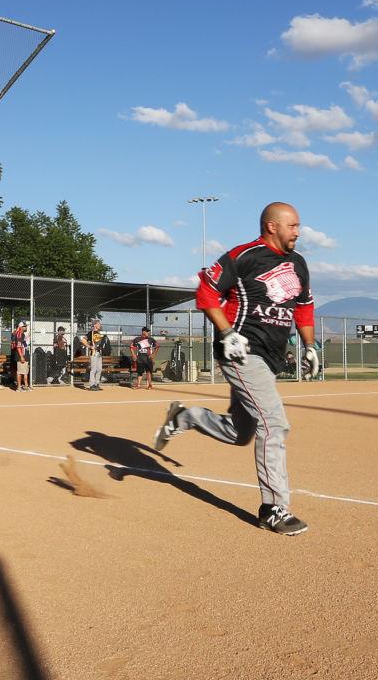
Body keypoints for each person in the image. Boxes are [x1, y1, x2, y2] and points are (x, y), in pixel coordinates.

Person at [153, 202, 319, 535]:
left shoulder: (298, 263)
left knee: (241, 433)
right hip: (242, 352)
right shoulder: (243, 256)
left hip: (271, 357)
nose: (298, 232)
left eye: (298, 226)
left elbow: (303, 307)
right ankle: (273, 508)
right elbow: (206, 293)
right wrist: (227, 333)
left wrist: (310, 345)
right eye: (293, 226)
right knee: (273, 422)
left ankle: (186, 417)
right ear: (272, 226)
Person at [85, 318, 106, 391]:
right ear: (95, 325)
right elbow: (83, 340)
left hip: (99, 353)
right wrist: (90, 346)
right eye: (98, 324)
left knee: (99, 369)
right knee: (93, 369)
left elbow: (99, 343)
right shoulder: (91, 333)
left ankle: (97, 384)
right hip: (93, 353)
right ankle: (92, 385)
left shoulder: (99, 333)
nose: (100, 325)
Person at [11, 320, 32, 392]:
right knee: (20, 372)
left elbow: (24, 343)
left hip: (24, 354)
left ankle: (26, 386)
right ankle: (19, 387)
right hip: (21, 355)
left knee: (25, 372)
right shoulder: (19, 334)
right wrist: (21, 356)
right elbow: (18, 346)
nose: (26, 327)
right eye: (25, 326)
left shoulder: (22, 334)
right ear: (21, 327)